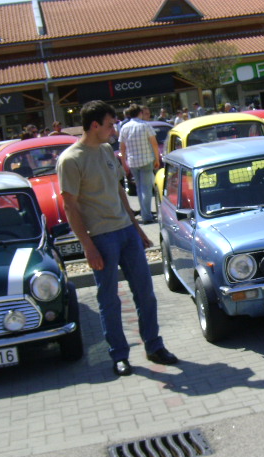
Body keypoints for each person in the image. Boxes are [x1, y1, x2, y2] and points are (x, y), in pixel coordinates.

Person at [57, 100, 178, 377]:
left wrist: (136, 228)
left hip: (126, 233)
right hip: (100, 238)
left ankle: (154, 346)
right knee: (109, 299)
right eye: (110, 125)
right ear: (95, 124)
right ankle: (119, 355)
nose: (114, 130)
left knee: (146, 293)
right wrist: (87, 246)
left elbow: (120, 192)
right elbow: (70, 206)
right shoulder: (70, 159)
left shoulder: (106, 151)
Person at [118, 103, 159, 225]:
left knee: (139, 188)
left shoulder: (124, 127)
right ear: (140, 113)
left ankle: (145, 213)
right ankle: (146, 215)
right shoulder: (145, 125)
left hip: (133, 162)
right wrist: (156, 158)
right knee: (146, 189)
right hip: (146, 160)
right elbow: (154, 143)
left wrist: (123, 163)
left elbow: (122, 148)